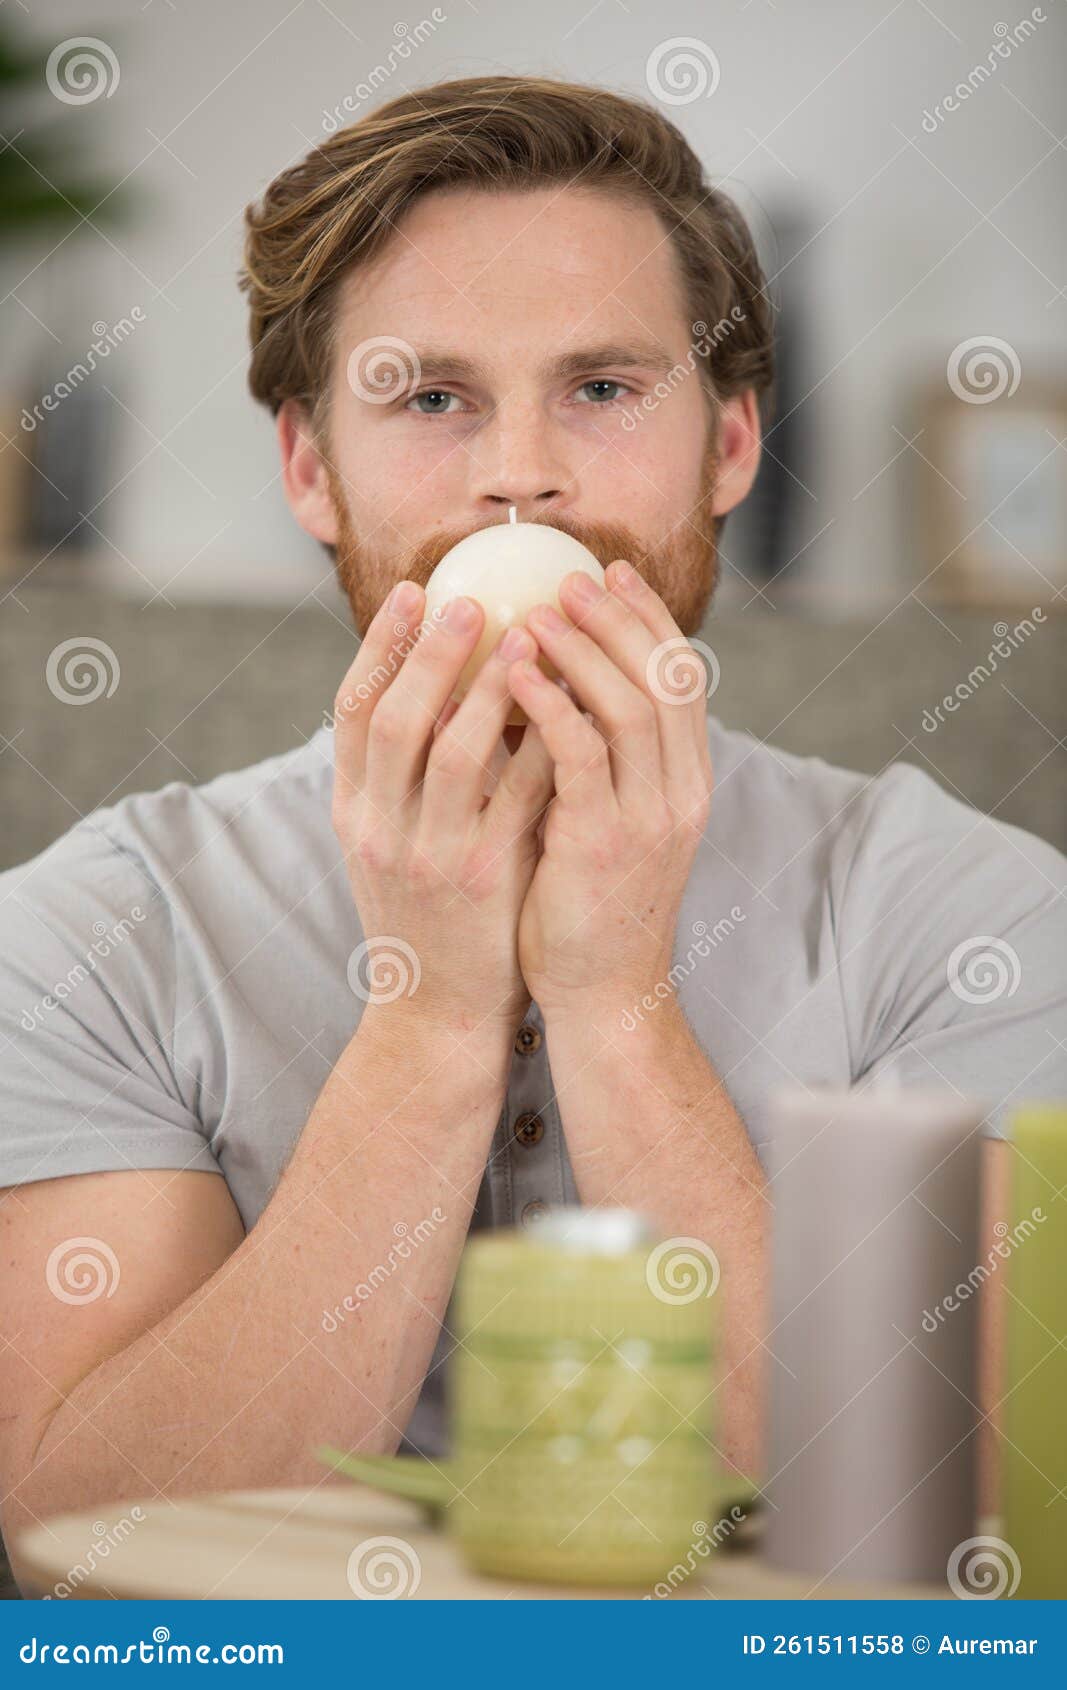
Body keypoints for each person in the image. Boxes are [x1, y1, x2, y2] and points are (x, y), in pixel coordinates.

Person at [1, 76, 1063, 1588]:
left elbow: (970, 1534)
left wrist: (616, 1004)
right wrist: (428, 1024)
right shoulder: (85, 938)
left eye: (606, 387)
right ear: (311, 466)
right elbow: (78, 1556)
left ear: (732, 445)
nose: (522, 473)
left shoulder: (973, 918)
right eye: (430, 396)